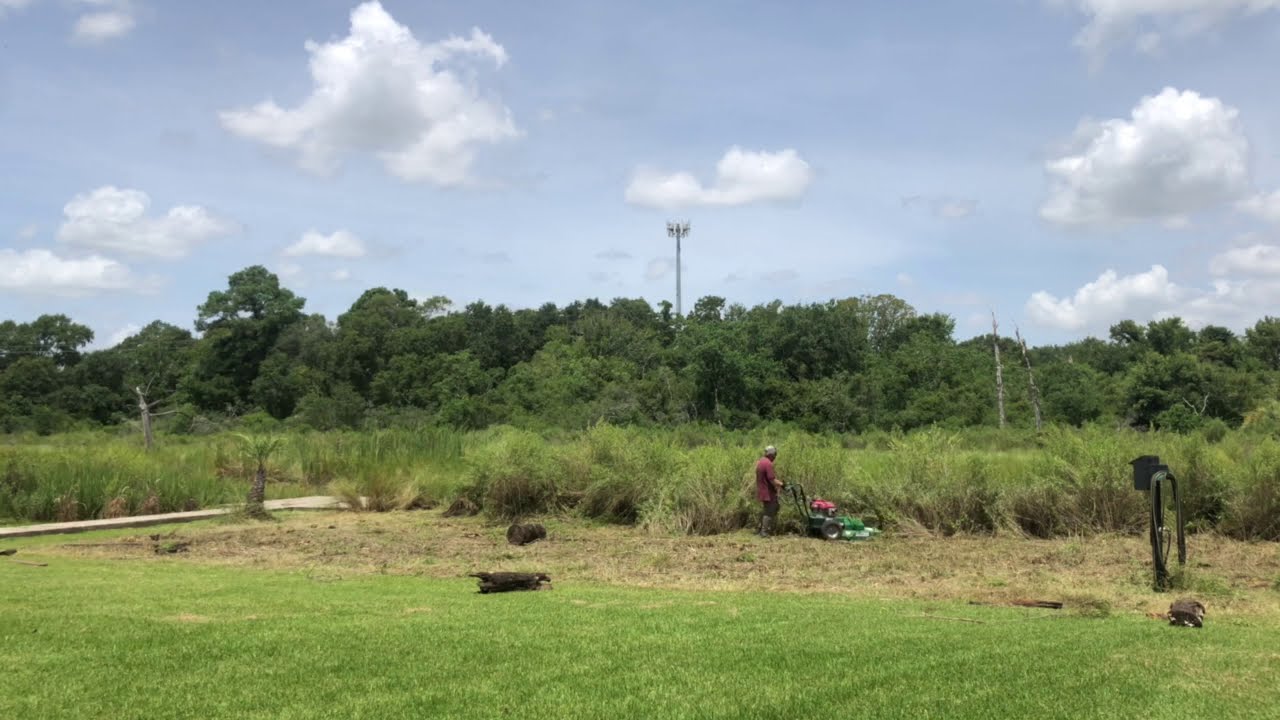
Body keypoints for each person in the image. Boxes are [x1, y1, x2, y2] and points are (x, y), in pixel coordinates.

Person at [755, 445, 782, 537]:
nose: (775, 457)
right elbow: (772, 480)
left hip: (762, 489)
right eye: (774, 455)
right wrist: (782, 484)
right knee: (770, 510)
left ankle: (759, 528)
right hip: (767, 491)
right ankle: (764, 532)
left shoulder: (761, 461)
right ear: (771, 454)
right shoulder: (768, 464)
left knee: (767, 510)